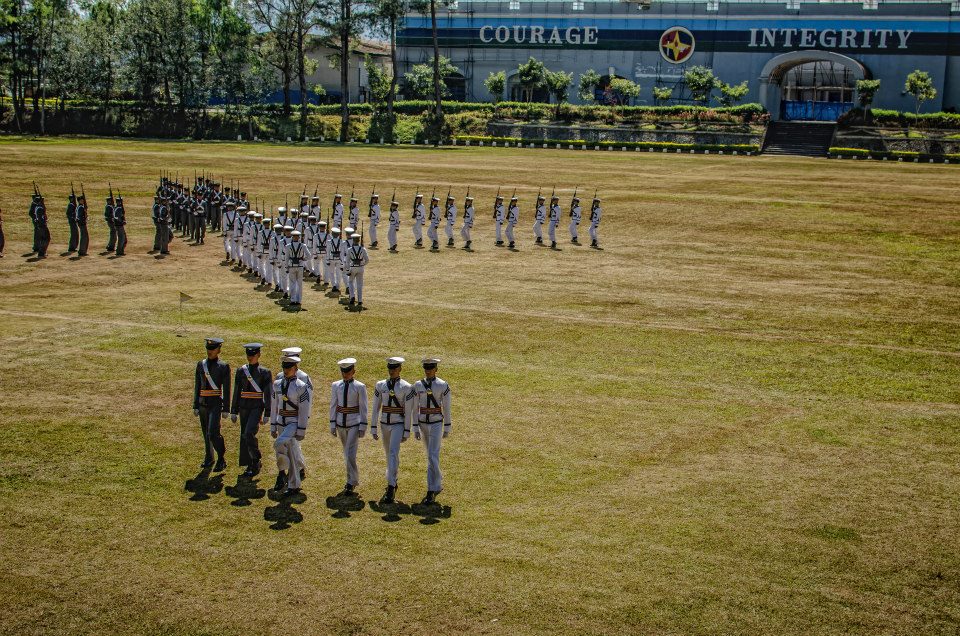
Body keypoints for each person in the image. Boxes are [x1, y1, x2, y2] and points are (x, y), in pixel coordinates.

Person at [371, 357, 414, 504]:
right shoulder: (380, 385)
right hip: (384, 423)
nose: (392, 371)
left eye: (395, 369)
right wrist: (373, 426)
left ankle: (391, 485)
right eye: (390, 369)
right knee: (389, 453)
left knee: (393, 453)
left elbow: (409, 411)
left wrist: (407, 430)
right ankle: (392, 478)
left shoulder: (407, 387)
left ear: (400, 369)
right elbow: (376, 407)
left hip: (398, 424)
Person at [269, 354, 311, 495]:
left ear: (295, 368)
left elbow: (304, 410)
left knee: (279, 444)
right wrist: (273, 425)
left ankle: (284, 469)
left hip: (293, 422)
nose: (286, 370)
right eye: (284, 367)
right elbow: (274, 405)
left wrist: (301, 429)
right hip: (281, 421)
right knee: (292, 453)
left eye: (289, 367)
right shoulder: (277, 384)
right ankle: (293, 484)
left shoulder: (301, 386)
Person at [412, 357, 452, 505]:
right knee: (431, 454)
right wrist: (415, 426)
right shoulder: (417, 385)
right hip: (423, 423)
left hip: (436, 423)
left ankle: (432, 488)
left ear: (436, 369)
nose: (428, 371)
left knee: (432, 455)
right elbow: (414, 407)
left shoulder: (442, 385)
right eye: (426, 369)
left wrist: (447, 426)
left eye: (431, 368)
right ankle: (438, 479)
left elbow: (447, 407)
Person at [231, 343, 272, 477]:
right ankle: (249, 463)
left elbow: (267, 393)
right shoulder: (241, 371)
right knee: (244, 435)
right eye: (248, 355)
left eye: (253, 355)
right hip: (244, 406)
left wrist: (267, 412)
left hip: (256, 407)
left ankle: (256, 458)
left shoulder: (264, 372)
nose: (250, 358)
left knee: (249, 433)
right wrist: (233, 410)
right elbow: (237, 391)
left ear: (258, 355)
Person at [329, 357, 369, 497]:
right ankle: (351, 479)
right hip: (340, 423)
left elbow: (363, 407)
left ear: (353, 371)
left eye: (348, 371)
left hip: (353, 423)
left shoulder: (359, 386)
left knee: (350, 453)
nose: (345, 374)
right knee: (347, 453)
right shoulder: (336, 385)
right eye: (343, 371)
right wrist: (332, 423)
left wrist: (363, 425)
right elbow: (333, 405)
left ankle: (351, 481)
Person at [193, 338, 231, 471]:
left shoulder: (223, 366)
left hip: (215, 403)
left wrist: (226, 408)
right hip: (203, 403)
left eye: (213, 349)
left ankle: (221, 457)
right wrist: (195, 405)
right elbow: (197, 385)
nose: (210, 352)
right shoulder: (201, 365)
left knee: (213, 433)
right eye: (208, 349)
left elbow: (226, 388)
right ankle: (209, 457)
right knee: (205, 433)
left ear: (219, 350)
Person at [285, 230, 310, 306]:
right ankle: (299, 300)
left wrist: (286, 267)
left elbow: (287, 258)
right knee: (299, 284)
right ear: (299, 237)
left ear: (292, 237)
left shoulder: (288, 246)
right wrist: (303, 259)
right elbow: (309, 256)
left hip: (292, 266)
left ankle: (293, 299)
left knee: (292, 283)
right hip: (300, 266)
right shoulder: (303, 245)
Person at [344, 231, 369, 308]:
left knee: (351, 282)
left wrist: (347, 270)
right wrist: (362, 264)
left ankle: (352, 296)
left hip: (353, 267)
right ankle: (360, 300)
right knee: (359, 284)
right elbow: (367, 260)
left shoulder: (349, 249)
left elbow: (347, 261)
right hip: (360, 268)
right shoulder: (363, 249)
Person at [327, 227, 344, 293]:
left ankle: (333, 285)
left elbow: (328, 252)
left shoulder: (329, 242)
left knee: (331, 272)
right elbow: (342, 253)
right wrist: (342, 262)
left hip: (331, 258)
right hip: (339, 259)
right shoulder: (342, 241)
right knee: (338, 273)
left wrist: (327, 260)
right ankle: (337, 286)